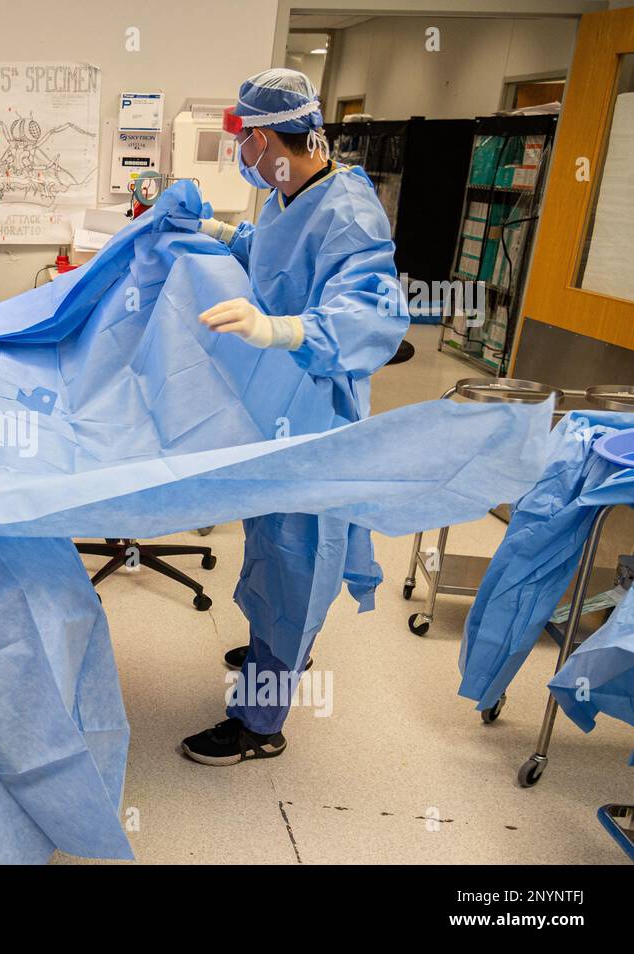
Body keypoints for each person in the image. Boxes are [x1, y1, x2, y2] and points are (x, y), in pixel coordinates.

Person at [182, 68, 409, 766]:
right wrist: (221, 234)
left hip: (316, 414)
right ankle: (275, 648)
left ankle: (260, 721)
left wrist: (278, 331)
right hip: (277, 408)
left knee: (295, 555)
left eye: (242, 144)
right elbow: (272, 262)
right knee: (269, 538)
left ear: (265, 139)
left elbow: (372, 314)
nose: (240, 158)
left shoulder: (348, 210)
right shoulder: (288, 194)